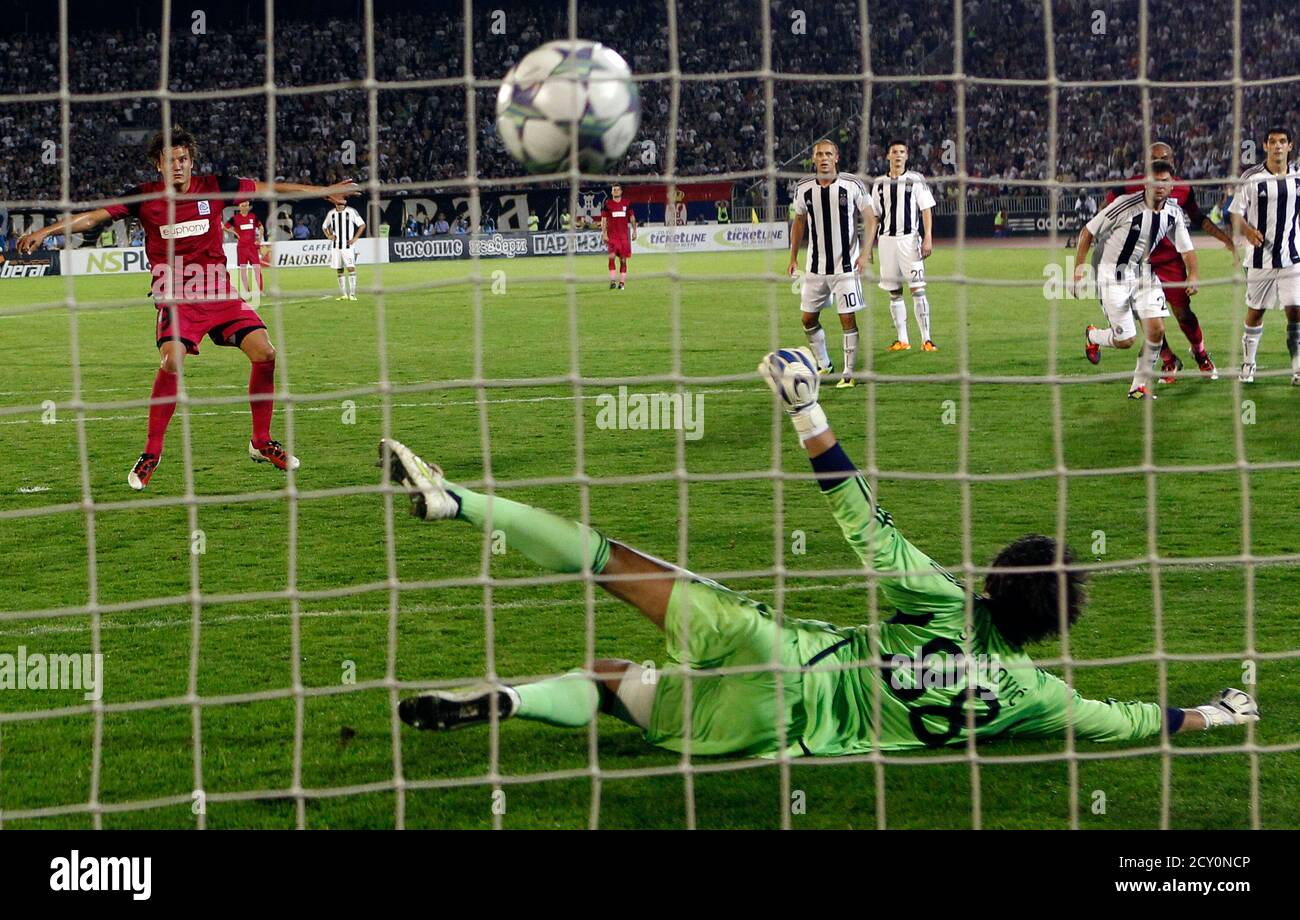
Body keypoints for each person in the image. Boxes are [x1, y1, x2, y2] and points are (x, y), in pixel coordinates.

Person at [384, 348, 1258, 753]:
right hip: (769, 736)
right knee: (612, 681)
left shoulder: (949, 602)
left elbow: (864, 525)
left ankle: (452, 500)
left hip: (774, 648)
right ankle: (507, 698)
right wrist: (1217, 713)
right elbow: (1139, 720)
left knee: (605, 559)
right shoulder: (1038, 695)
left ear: (995, 582)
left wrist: (808, 409)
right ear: (1049, 630)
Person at [17, 125, 356, 490]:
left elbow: (269, 188)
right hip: (176, 293)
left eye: (183, 159)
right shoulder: (144, 197)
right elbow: (94, 217)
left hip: (218, 292)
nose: (177, 166)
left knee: (265, 353)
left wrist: (324, 191)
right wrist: (47, 231)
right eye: (169, 160)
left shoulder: (214, 185)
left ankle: (261, 441)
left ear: (191, 161)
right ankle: (152, 452)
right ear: (157, 165)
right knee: (171, 360)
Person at [1104, 141, 1233, 382]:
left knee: (1183, 313)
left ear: (1173, 161)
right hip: (1139, 265)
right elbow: (1107, 208)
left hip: (1171, 261)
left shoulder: (1182, 189)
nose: (1158, 162)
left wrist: (1226, 239)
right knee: (1147, 319)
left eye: (1163, 157)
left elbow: (1198, 218)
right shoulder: (1130, 186)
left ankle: (1201, 355)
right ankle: (1168, 360)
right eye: (1153, 159)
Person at [1074, 160, 1199, 399]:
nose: (1159, 186)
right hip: (1113, 274)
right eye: (1155, 181)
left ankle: (1138, 386)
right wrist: (1078, 270)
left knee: (1156, 330)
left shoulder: (1174, 213)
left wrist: (1192, 274)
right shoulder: (1125, 205)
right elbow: (1088, 231)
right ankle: (1093, 335)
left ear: (1172, 184)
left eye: (1164, 181)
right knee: (1126, 340)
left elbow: (1187, 250)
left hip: (1143, 274)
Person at [788, 138, 868, 388]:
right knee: (807, 319)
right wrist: (792, 257)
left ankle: (848, 373)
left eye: (828, 154)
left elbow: (870, 217)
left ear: (837, 157)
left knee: (847, 319)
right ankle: (824, 364)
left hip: (846, 266)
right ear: (813, 159)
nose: (823, 158)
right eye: (819, 154)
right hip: (815, 267)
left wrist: (864, 252)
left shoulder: (852, 184)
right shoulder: (803, 187)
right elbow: (799, 222)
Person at [1229, 127, 1300, 385]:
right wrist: (1246, 229)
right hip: (1260, 259)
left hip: (1293, 258)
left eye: (1283, 142)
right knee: (1256, 311)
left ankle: (1297, 368)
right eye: (1272, 142)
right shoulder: (1251, 177)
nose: (1277, 146)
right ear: (1265, 146)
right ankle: (1248, 364)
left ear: (1290, 146)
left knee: (1295, 311)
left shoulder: (1298, 177)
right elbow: (1235, 213)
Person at [865, 139, 939, 352]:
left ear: (906, 156)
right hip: (886, 242)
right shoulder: (879, 183)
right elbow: (875, 217)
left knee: (917, 289)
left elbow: (926, 209)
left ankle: (926, 339)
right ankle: (902, 339)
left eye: (901, 152)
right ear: (888, 156)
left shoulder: (915, 179)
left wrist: (928, 237)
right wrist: (868, 247)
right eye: (894, 152)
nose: (898, 155)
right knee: (894, 292)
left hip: (909, 240)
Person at [322, 196, 365, 301]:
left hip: (348, 246)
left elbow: (362, 225)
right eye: (338, 203)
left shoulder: (351, 211)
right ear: (335, 204)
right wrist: (329, 236)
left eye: (342, 204)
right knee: (339, 269)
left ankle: (353, 294)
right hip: (336, 247)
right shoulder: (331, 213)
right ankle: (344, 294)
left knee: (350, 268)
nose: (340, 205)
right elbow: (324, 226)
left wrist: (355, 238)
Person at [223, 199, 265, 294]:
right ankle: (247, 290)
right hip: (241, 247)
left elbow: (261, 227)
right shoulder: (235, 218)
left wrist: (259, 240)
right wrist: (235, 233)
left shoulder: (253, 217)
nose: (245, 207)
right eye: (243, 205)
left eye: (246, 205)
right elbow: (224, 227)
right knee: (243, 270)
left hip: (252, 247)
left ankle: (260, 290)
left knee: (257, 269)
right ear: (239, 207)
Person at [600, 184, 637, 290]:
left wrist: (634, 231)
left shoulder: (627, 203)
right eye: (613, 190)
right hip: (612, 237)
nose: (615, 191)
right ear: (611, 192)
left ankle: (622, 283)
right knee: (611, 258)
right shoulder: (607, 204)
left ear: (621, 192)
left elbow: (632, 217)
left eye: (617, 190)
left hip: (624, 238)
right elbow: (603, 220)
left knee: (623, 261)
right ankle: (612, 281)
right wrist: (604, 234)